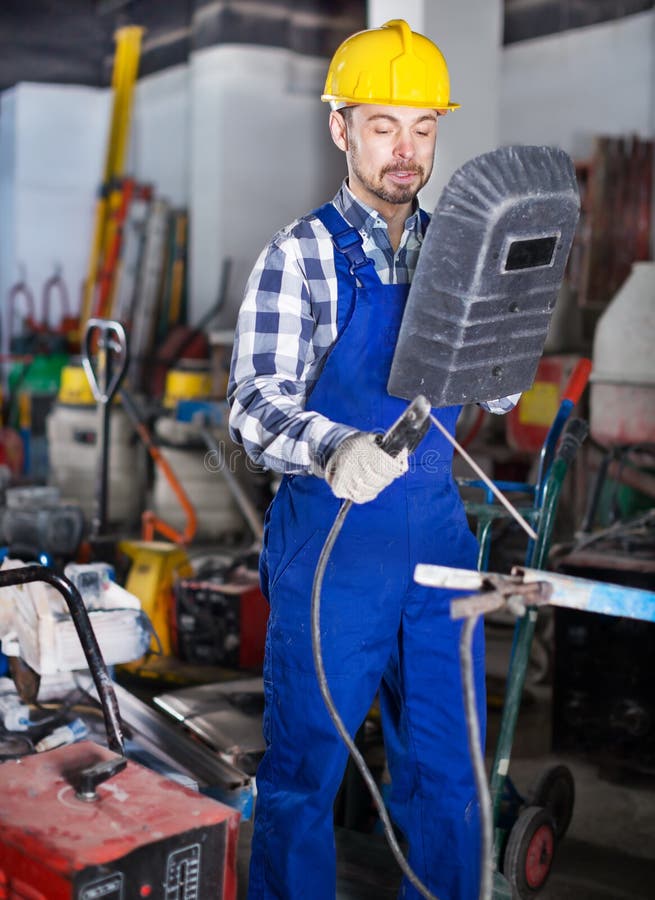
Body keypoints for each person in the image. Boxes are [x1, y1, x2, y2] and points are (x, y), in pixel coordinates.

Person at [228, 19, 518, 900]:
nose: (405, 150)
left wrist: (504, 360)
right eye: (383, 125)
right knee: (303, 774)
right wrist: (334, 446)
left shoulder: (461, 254)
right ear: (340, 128)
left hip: (438, 535)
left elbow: (498, 389)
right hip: (333, 542)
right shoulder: (299, 255)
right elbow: (252, 402)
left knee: (448, 769)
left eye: (422, 128)